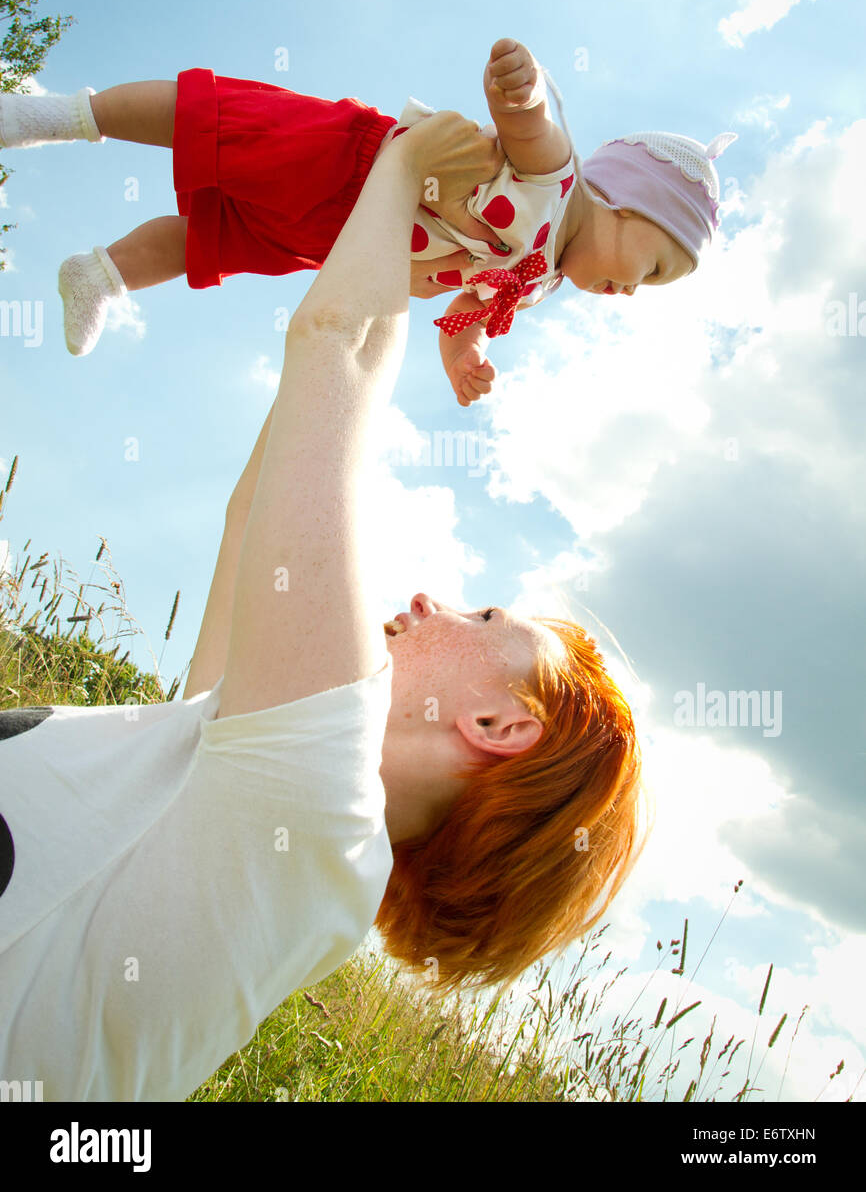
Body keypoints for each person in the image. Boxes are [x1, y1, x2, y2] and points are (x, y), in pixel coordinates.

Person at [0, 110, 646, 1102]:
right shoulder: (250, 781)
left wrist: (400, 173)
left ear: (496, 726)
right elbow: (255, 509)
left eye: (480, 622)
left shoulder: (317, 803)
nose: (432, 598)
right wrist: (411, 252)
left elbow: (328, 341)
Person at [0, 38, 736, 406]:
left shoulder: (533, 283)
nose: (638, 292)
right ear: (629, 204)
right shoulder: (559, 181)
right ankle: (63, 115)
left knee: (215, 244)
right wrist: (523, 93)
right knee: (216, 122)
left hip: (347, 244)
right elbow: (532, 128)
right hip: (346, 163)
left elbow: (464, 314)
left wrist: (461, 360)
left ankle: (102, 273)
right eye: (659, 268)